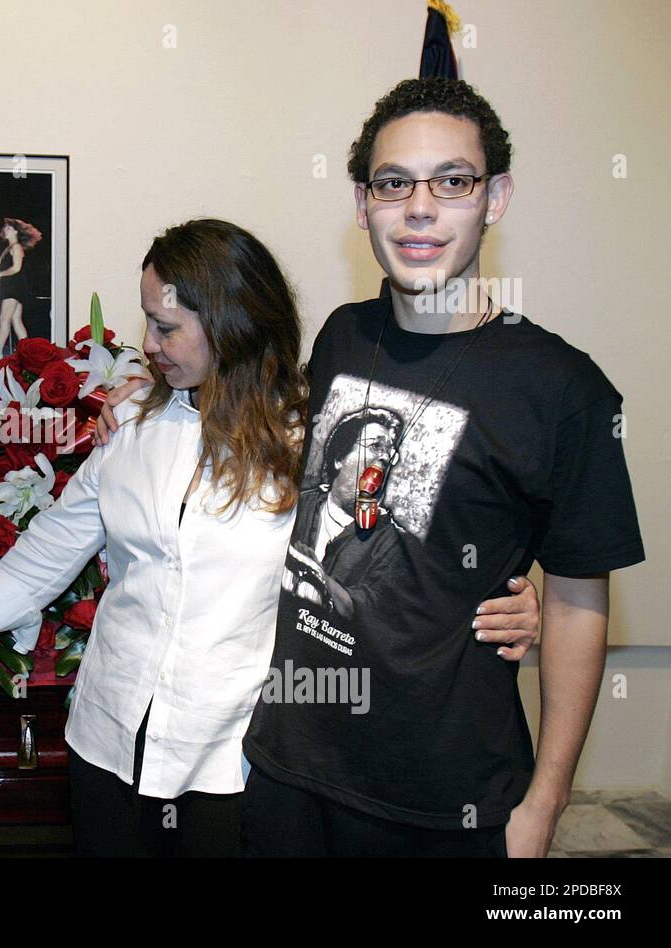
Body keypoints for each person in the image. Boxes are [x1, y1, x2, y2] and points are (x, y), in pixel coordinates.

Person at [0, 218, 541, 857]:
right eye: (148, 322)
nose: (148, 345)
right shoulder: (134, 429)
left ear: (231, 326)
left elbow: (403, 548)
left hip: (233, 762)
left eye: (166, 327)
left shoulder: (315, 439)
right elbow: (56, 542)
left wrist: (515, 597)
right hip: (108, 741)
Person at [101, 78, 640, 858]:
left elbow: (581, 599)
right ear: (363, 204)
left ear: (495, 197)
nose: (420, 207)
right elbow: (258, 432)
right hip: (288, 774)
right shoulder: (343, 337)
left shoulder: (565, 390)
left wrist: (545, 804)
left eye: (453, 181)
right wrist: (143, 397)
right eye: (394, 184)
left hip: (446, 801)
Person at [0, 217, 43, 355]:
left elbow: (16, 268)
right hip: (11, 287)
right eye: (5, 227)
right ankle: (28, 352)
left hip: (13, 288)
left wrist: (0, 274)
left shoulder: (16, 247)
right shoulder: (8, 248)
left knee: (4, 318)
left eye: (9, 228)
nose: (5, 229)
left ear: (15, 232)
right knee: (16, 320)